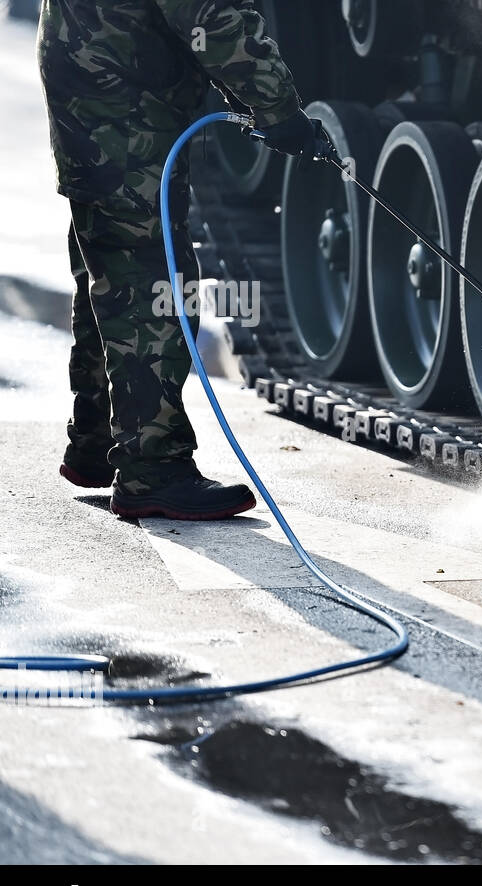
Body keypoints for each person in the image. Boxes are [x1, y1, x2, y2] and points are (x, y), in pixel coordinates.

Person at [38, 0, 321, 519]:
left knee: (112, 270)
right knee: (153, 282)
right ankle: (153, 469)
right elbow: (211, 15)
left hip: (95, 77)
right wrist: (279, 108)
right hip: (121, 100)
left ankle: (99, 443)